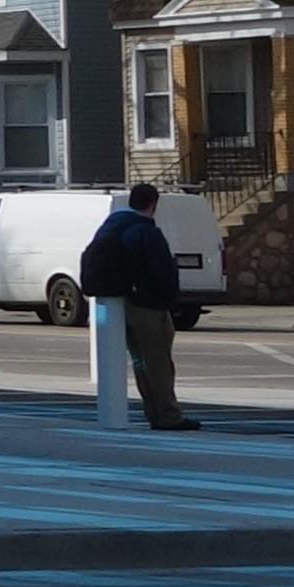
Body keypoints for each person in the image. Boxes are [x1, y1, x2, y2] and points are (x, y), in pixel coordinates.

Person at [78, 183, 197, 431]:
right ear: (153, 204)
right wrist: (170, 298)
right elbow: (161, 270)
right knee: (159, 362)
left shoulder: (113, 226)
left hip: (122, 303)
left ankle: (153, 411)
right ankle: (167, 415)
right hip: (148, 305)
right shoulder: (146, 232)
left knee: (141, 362)